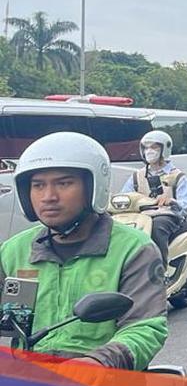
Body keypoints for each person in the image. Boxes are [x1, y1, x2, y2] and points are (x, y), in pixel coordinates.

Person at [0, 132, 167, 369]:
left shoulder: (133, 249)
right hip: (28, 378)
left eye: (64, 183)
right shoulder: (13, 250)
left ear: (93, 187)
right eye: (38, 185)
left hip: (102, 382)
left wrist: (99, 361)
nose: (48, 197)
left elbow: (144, 326)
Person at [119, 131, 187, 262]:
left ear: (164, 149)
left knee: (157, 227)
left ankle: (159, 267)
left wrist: (172, 201)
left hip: (168, 215)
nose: (149, 151)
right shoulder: (137, 176)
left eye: (154, 147)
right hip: (141, 215)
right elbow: (125, 195)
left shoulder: (176, 176)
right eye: (146, 147)